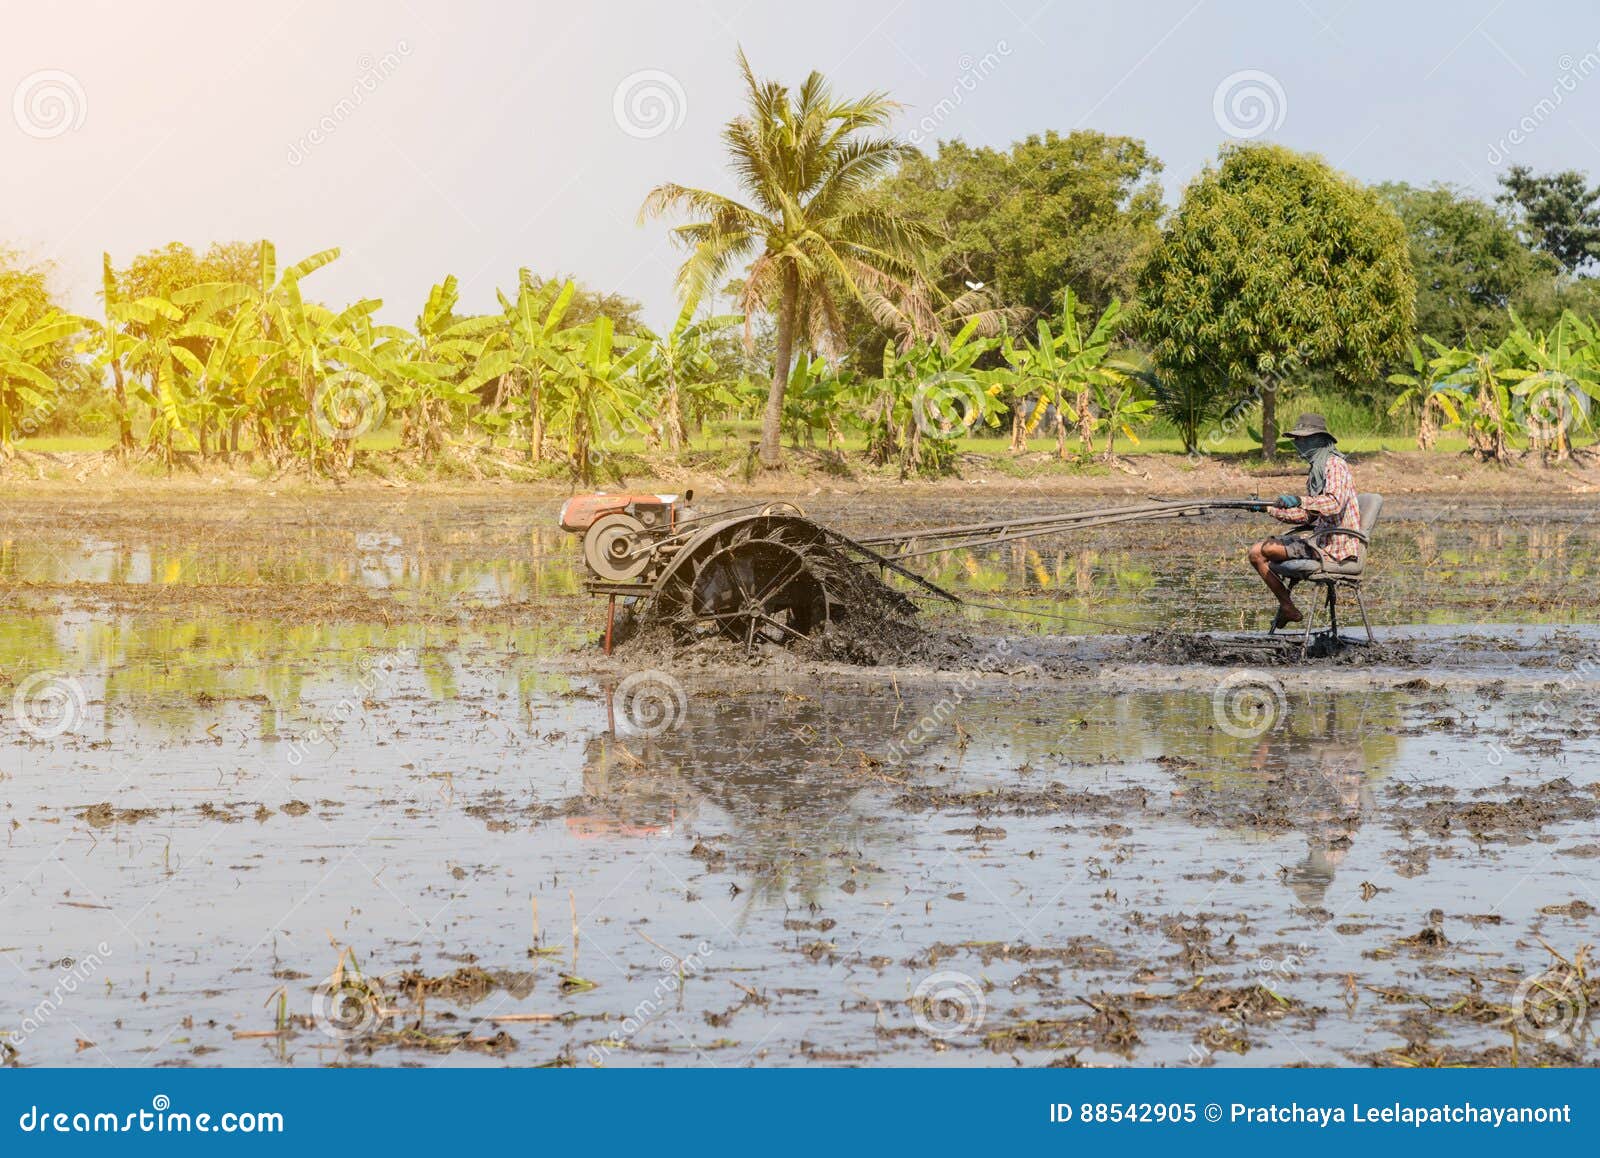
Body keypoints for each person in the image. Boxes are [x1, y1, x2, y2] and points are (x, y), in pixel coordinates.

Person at [1246, 413, 1362, 630]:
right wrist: (1268, 509)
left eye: (1302, 438)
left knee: (1257, 552)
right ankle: (1288, 607)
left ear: (1318, 439)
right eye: (1296, 439)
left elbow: (1334, 503)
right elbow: (1308, 516)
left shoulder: (1335, 465)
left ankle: (1287, 608)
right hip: (1319, 542)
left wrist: (1300, 500)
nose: (1298, 443)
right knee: (1257, 553)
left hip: (1335, 546)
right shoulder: (1317, 470)